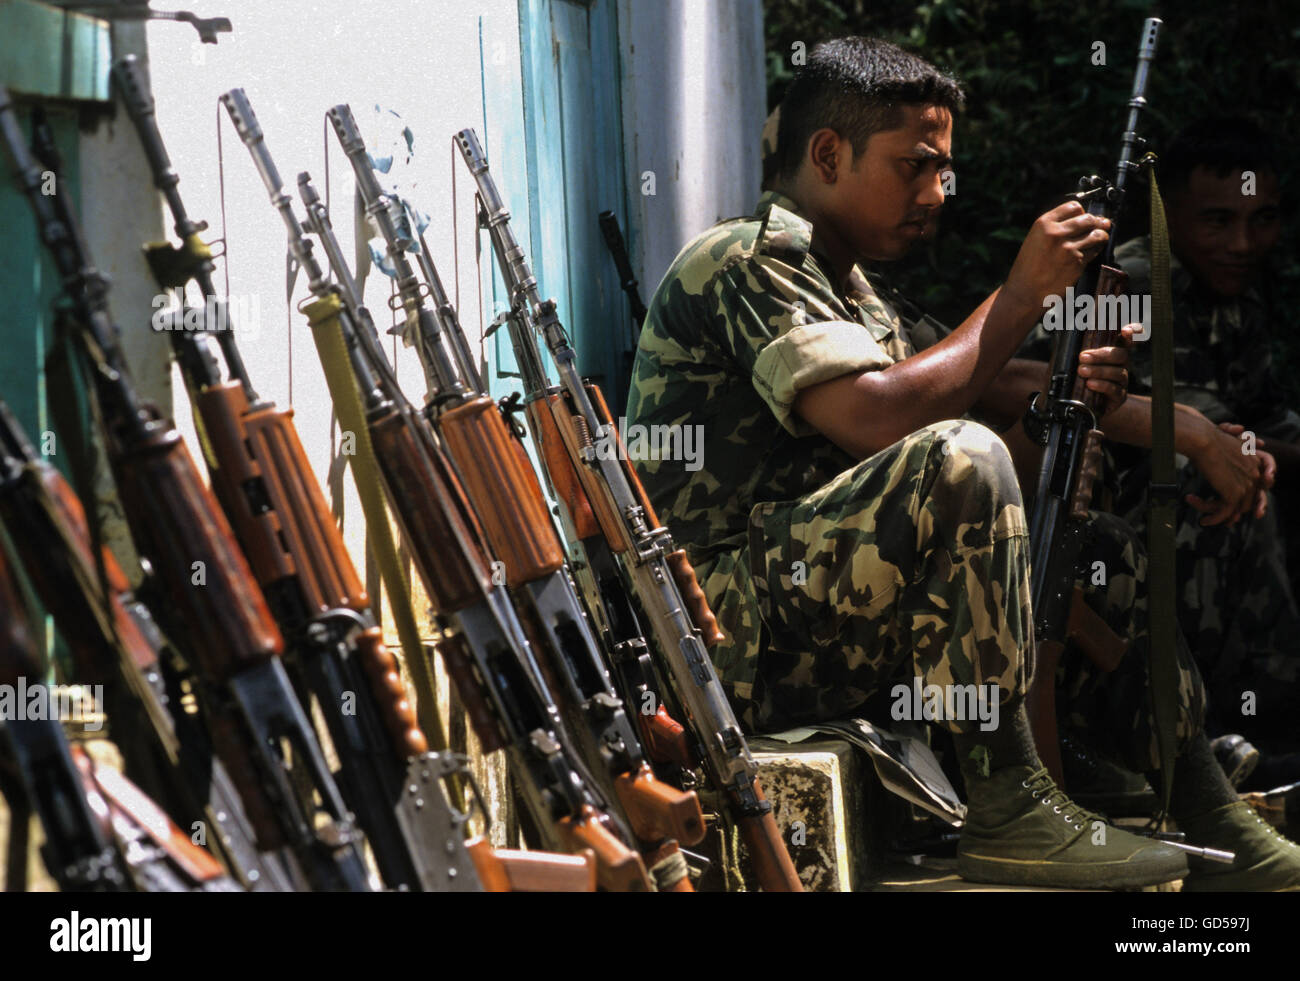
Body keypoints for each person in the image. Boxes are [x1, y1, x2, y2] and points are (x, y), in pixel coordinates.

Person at [626, 37, 1300, 889]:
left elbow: (981, 378)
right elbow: (881, 415)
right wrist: (1020, 297)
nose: (939, 191)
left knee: (1101, 552)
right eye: (916, 165)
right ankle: (1009, 801)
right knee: (964, 458)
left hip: (808, 608)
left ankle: (1196, 798)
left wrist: (1189, 431)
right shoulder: (745, 260)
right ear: (828, 153)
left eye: (944, 169)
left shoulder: (851, 284)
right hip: (726, 633)